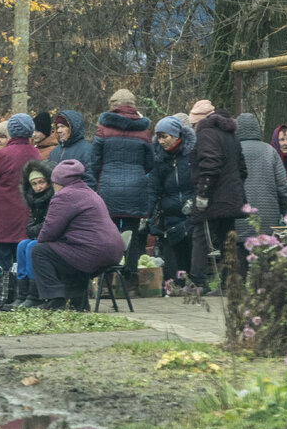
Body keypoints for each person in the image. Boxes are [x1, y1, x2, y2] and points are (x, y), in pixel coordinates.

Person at [30, 159, 125, 310]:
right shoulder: (89, 192)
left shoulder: (63, 196)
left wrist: (41, 240)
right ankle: (78, 302)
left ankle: (55, 299)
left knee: (39, 251)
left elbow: (49, 232)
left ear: (57, 182)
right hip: (113, 252)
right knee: (68, 252)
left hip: (93, 253)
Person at [84, 90, 153, 293]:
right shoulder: (144, 132)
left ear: (112, 105)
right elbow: (150, 163)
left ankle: (106, 284)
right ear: (133, 105)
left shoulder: (103, 129)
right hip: (136, 189)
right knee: (132, 235)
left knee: (107, 234)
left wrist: (99, 182)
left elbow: (94, 162)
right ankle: (130, 284)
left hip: (108, 189)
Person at [0, 113, 40, 307]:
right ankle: (20, 298)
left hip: (0, 218)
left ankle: (0, 299)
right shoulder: (35, 154)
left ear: (11, 132)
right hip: (25, 216)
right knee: (19, 260)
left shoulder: (2, 155)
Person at [188, 107, 247, 295]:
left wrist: (203, 195)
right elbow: (242, 169)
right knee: (227, 239)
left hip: (212, 198)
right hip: (231, 198)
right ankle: (231, 283)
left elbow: (209, 165)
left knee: (200, 236)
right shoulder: (232, 136)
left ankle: (197, 283)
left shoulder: (206, 134)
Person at [234, 113, 287, 269]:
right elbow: (282, 188)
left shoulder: (232, 152)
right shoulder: (270, 151)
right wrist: (282, 211)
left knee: (241, 268)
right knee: (266, 267)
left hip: (239, 219)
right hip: (267, 220)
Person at [147, 115, 196, 283]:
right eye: (158, 137)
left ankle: (191, 284)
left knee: (190, 253)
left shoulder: (191, 155)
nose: (161, 141)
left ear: (176, 136)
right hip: (170, 215)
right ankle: (175, 287)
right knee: (174, 258)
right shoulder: (159, 159)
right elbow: (153, 188)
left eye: (164, 136)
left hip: (191, 213)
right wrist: (148, 212)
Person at [13, 160, 53, 308]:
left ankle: (34, 295)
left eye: (41, 182)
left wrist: (37, 229)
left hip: (54, 239)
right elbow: (29, 229)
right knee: (22, 245)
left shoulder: (53, 198)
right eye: (34, 184)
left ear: (48, 182)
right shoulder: (33, 200)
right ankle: (22, 294)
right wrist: (38, 229)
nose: (38, 187)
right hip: (40, 237)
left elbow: (49, 224)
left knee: (31, 246)